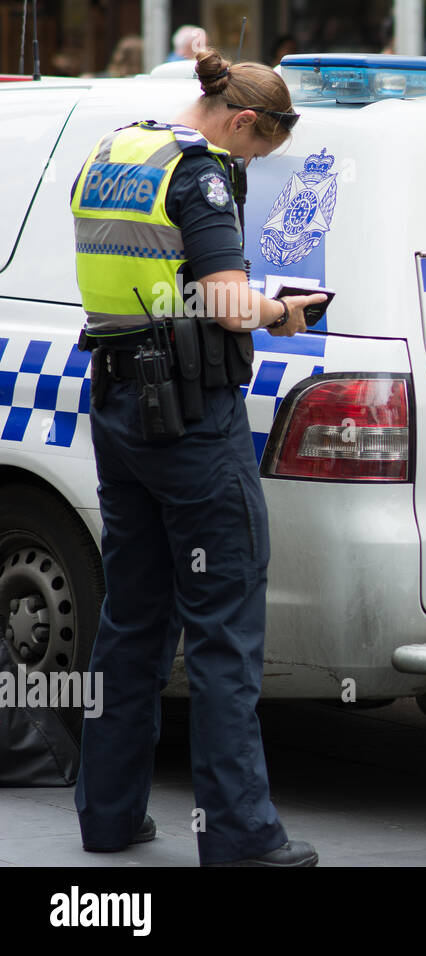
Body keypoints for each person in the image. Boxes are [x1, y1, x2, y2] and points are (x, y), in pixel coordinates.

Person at [70, 48, 325, 867]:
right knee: (222, 626)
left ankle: (107, 816)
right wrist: (283, 311)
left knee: (132, 616)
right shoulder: (200, 174)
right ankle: (242, 836)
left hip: (117, 402)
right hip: (187, 419)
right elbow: (220, 299)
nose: (247, 168)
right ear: (243, 120)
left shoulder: (115, 151)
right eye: (256, 153)